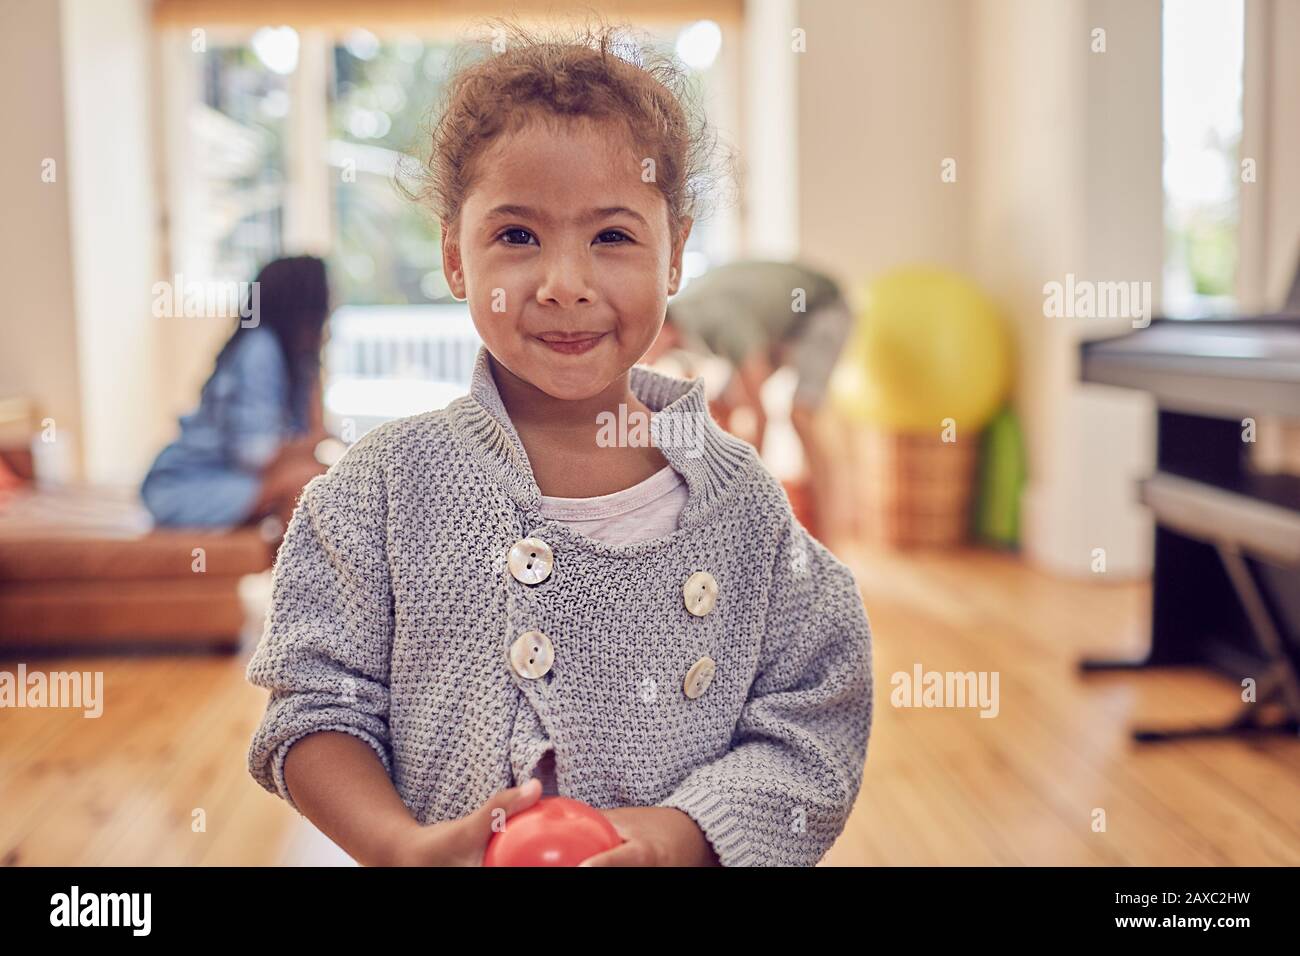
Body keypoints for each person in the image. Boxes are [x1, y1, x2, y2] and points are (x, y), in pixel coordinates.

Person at [244, 19, 873, 868]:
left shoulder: (744, 506)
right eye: (517, 236)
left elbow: (814, 718)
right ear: (455, 257)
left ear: (675, 254)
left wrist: (681, 835)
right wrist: (401, 847)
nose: (565, 285)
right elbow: (314, 707)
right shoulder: (378, 490)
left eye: (612, 237)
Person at [644, 259, 855, 531]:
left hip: (819, 306)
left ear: (663, 329)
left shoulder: (718, 320)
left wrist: (747, 492)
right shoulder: (682, 322)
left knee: (801, 415)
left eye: (645, 348)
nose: (642, 358)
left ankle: (831, 532)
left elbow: (761, 415)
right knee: (720, 405)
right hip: (778, 320)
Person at [141, 256, 333, 530]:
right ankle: (296, 560)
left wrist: (312, 364)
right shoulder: (260, 349)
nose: (328, 315)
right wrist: (320, 437)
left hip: (231, 480)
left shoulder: (291, 359)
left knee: (318, 475)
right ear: (304, 307)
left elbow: (311, 435)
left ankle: (300, 557)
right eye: (323, 305)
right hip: (183, 488)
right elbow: (255, 453)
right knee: (308, 480)